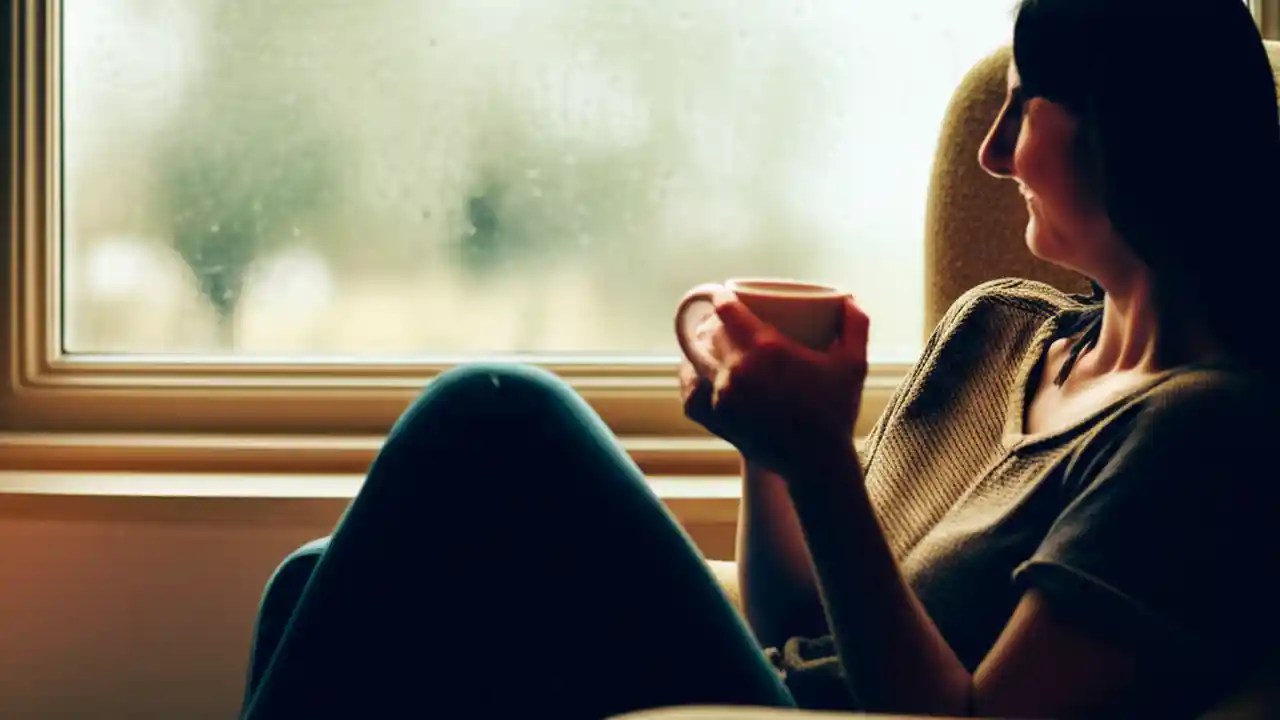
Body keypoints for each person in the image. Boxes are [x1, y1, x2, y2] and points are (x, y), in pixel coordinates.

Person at [239, 0, 1280, 717]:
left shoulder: (1201, 433)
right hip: (771, 696)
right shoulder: (993, 330)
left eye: (1024, 107)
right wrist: (770, 453)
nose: (991, 151)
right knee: (314, 584)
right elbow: (796, 628)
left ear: (1130, 131)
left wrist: (823, 461)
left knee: (495, 413)